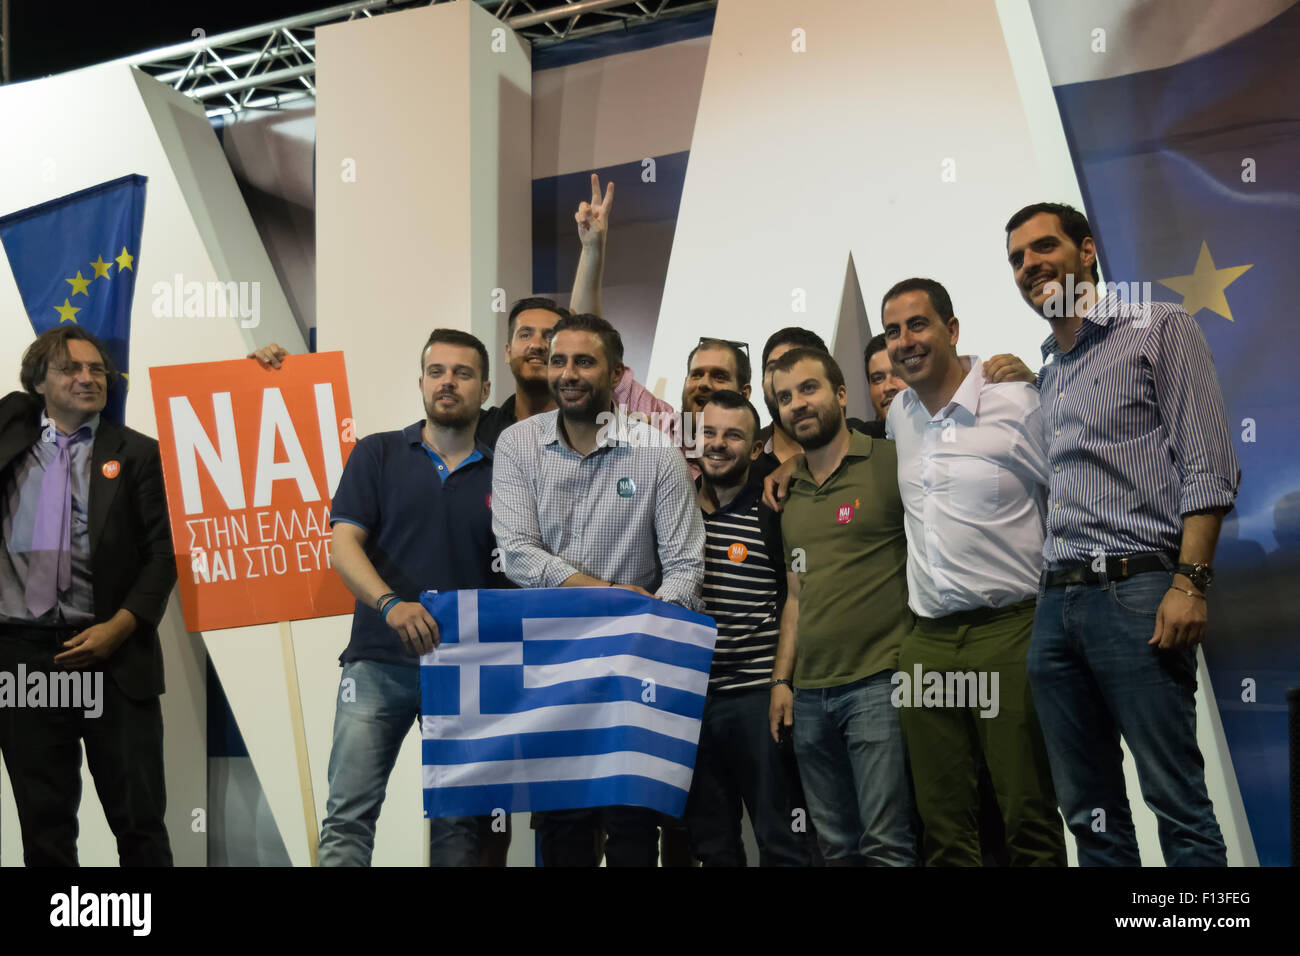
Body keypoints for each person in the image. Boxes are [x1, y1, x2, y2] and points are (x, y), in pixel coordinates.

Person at [1005, 201, 1240, 865]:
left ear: (1087, 252)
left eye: (1043, 247)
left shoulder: (1159, 326)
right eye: (1017, 259)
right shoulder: (1048, 371)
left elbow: (1209, 466)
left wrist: (1190, 584)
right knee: (1090, 816)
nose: (1029, 266)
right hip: (1056, 609)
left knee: (1178, 804)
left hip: (1137, 593)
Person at [490, 312, 705, 866]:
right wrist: (610, 595)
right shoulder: (518, 445)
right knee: (562, 827)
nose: (567, 373)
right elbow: (517, 552)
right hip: (554, 662)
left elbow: (685, 566)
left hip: (638, 665)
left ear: (615, 373)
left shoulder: (656, 452)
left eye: (584, 361)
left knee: (633, 825)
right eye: (559, 360)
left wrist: (643, 622)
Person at [880, 277, 1065, 866]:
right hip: (927, 641)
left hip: (1010, 632)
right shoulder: (898, 417)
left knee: (1027, 814)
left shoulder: (1019, 402)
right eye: (892, 332)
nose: (905, 341)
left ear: (952, 330)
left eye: (918, 325)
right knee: (942, 823)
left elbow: (1069, 499)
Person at [316, 329, 512, 867]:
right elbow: (342, 546)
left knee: (458, 829)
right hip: (377, 662)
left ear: (485, 387)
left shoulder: (506, 474)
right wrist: (389, 604)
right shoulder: (377, 452)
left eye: (463, 373)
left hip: (465, 670)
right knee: (347, 818)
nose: (448, 382)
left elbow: (520, 571)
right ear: (422, 382)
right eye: (437, 371)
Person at [0, 326, 176, 866]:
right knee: (44, 824)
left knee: (139, 820)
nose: (87, 378)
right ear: (39, 383)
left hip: (113, 656)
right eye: (71, 369)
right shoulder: (9, 438)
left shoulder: (138, 453)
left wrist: (119, 628)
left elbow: (163, 557)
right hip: (24, 657)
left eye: (97, 369)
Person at [766, 347, 916, 865]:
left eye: (809, 389)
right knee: (834, 849)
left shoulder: (892, 462)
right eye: (785, 397)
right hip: (808, 698)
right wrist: (782, 682)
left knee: (888, 845)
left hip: (880, 684)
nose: (797, 404)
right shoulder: (790, 493)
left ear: (841, 394)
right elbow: (796, 597)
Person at [685, 389, 813, 866]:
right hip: (692, 702)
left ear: (757, 448)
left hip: (758, 698)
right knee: (713, 845)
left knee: (781, 839)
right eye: (710, 433)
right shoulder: (673, 510)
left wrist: (782, 682)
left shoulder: (772, 508)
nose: (718, 444)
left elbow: (794, 602)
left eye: (734, 435)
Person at [475, 297, 569, 449]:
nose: (537, 345)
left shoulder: (584, 430)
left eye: (550, 337)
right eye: (525, 335)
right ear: (508, 352)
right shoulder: (477, 430)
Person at [863, 333, 906, 423]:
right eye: (878, 378)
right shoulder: (858, 434)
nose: (888, 387)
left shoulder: (942, 432)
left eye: (898, 374)